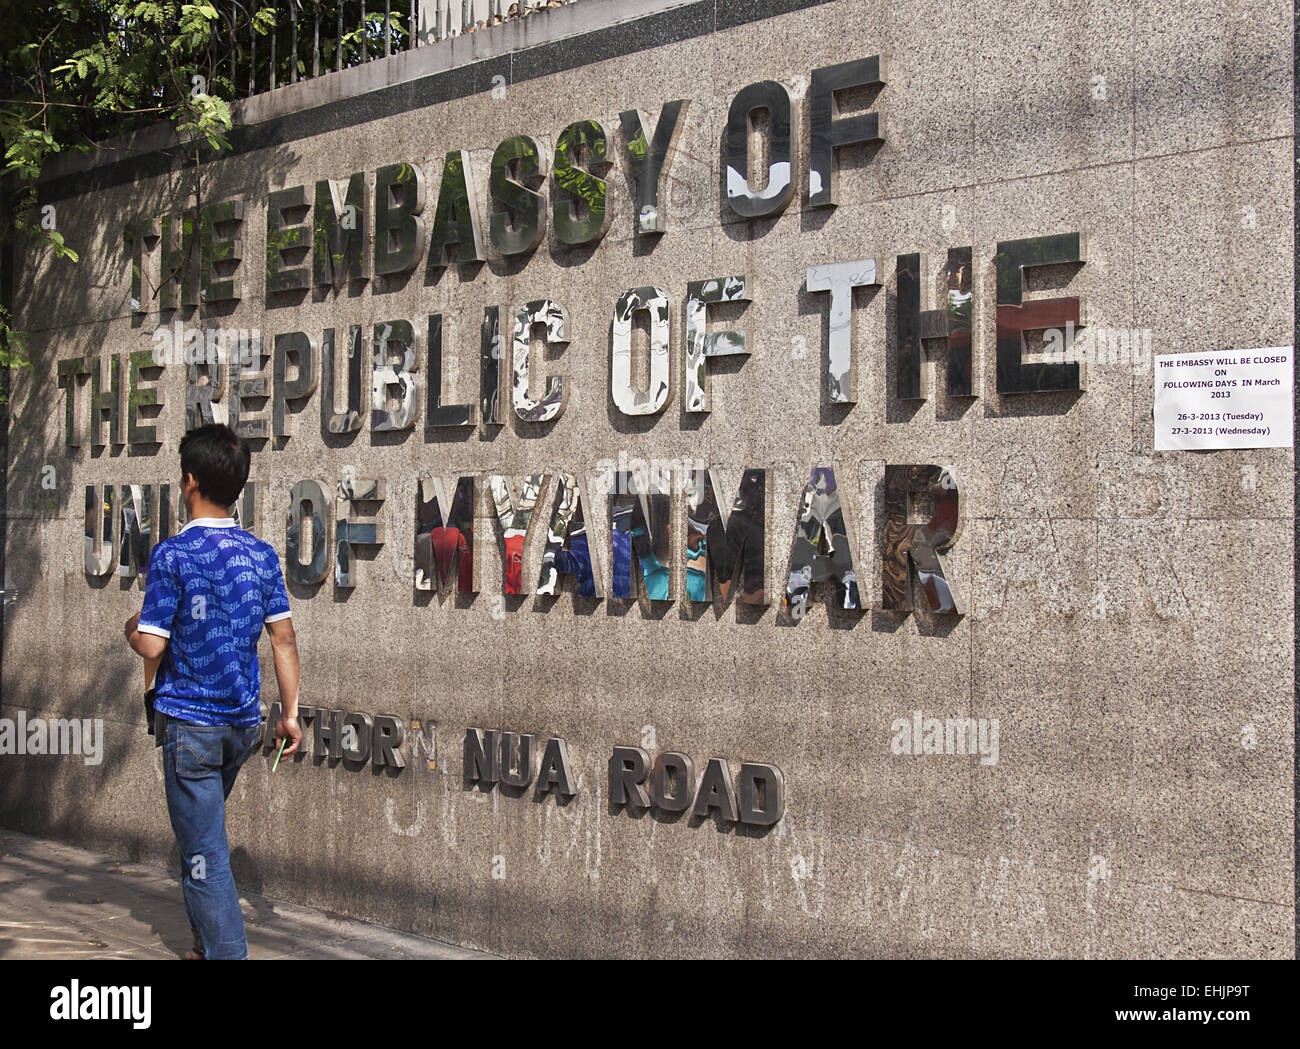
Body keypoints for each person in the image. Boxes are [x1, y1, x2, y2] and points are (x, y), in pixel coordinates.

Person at [123, 423, 303, 960]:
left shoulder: (174, 555)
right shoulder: (262, 555)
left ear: (189, 480)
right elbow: (284, 640)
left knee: (204, 852)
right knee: (198, 841)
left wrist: (131, 626)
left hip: (190, 728)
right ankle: (204, 947)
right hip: (242, 727)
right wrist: (290, 715)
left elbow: (151, 647)